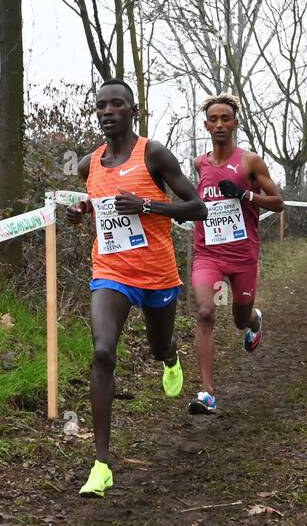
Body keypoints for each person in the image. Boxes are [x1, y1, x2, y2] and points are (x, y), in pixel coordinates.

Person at [66, 79, 207, 496]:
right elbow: (96, 200)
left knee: (158, 345)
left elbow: (197, 207)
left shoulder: (154, 154)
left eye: (117, 105)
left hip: (158, 275)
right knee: (102, 350)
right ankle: (102, 463)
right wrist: (81, 210)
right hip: (110, 270)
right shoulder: (88, 164)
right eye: (101, 106)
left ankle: (171, 358)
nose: (108, 111)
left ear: (133, 111)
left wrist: (147, 205)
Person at [188, 93, 285, 415]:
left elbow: (278, 202)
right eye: (213, 120)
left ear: (235, 123)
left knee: (239, 318)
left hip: (243, 255)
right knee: (204, 311)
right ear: (206, 125)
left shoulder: (249, 162)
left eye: (225, 119)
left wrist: (244, 193)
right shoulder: (199, 163)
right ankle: (207, 392)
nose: (219, 124)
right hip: (208, 254)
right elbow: (199, 202)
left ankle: (254, 320)